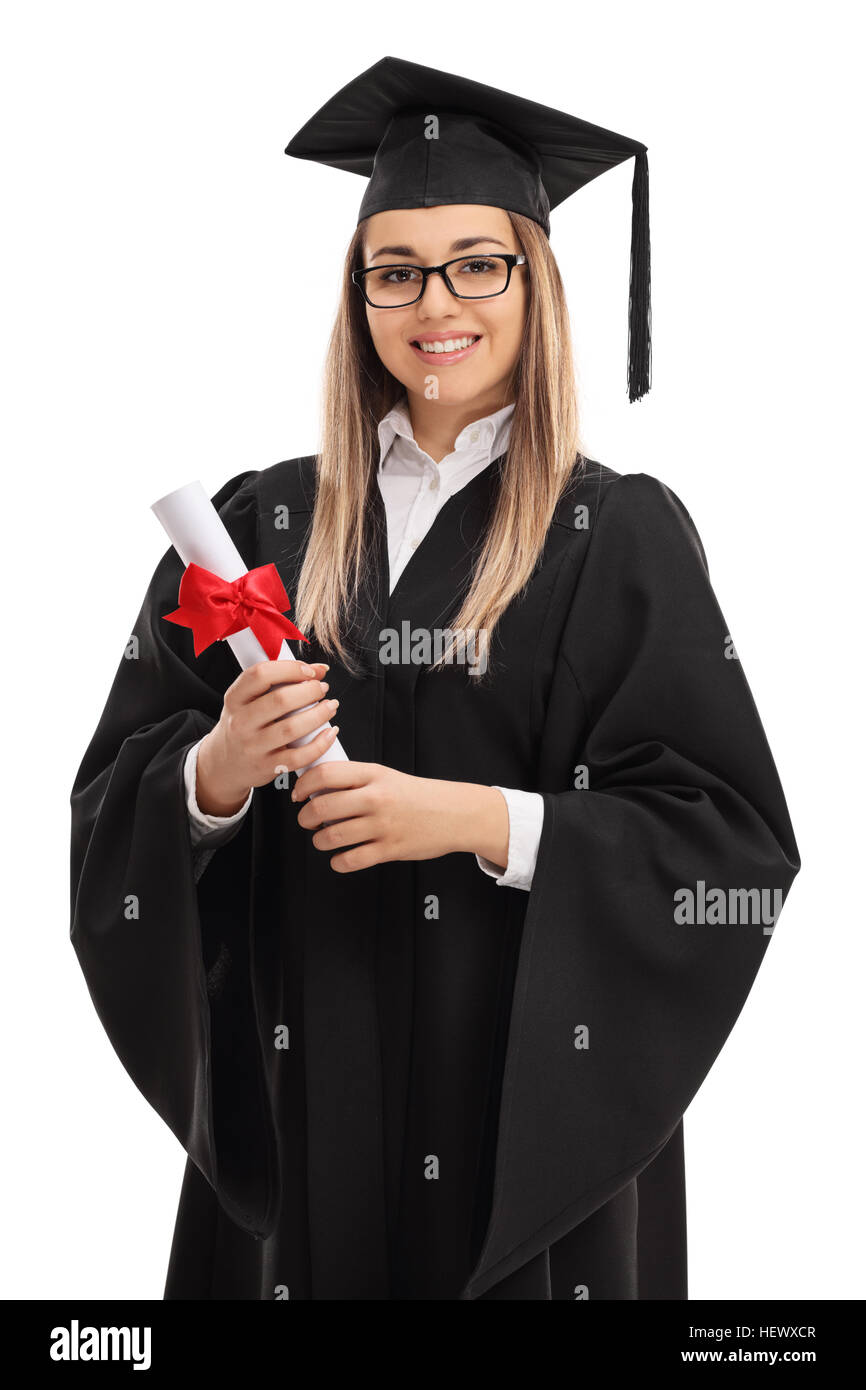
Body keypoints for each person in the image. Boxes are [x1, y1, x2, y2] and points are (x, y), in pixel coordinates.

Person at [69, 56, 800, 1300]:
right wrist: (218, 771)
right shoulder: (264, 526)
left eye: (476, 262)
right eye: (394, 269)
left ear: (535, 282)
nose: (433, 302)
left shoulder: (611, 535)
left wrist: (468, 819)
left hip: (516, 1105)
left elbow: (723, 844)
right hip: (301, 1094)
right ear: (357, 296)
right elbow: (110, 810)